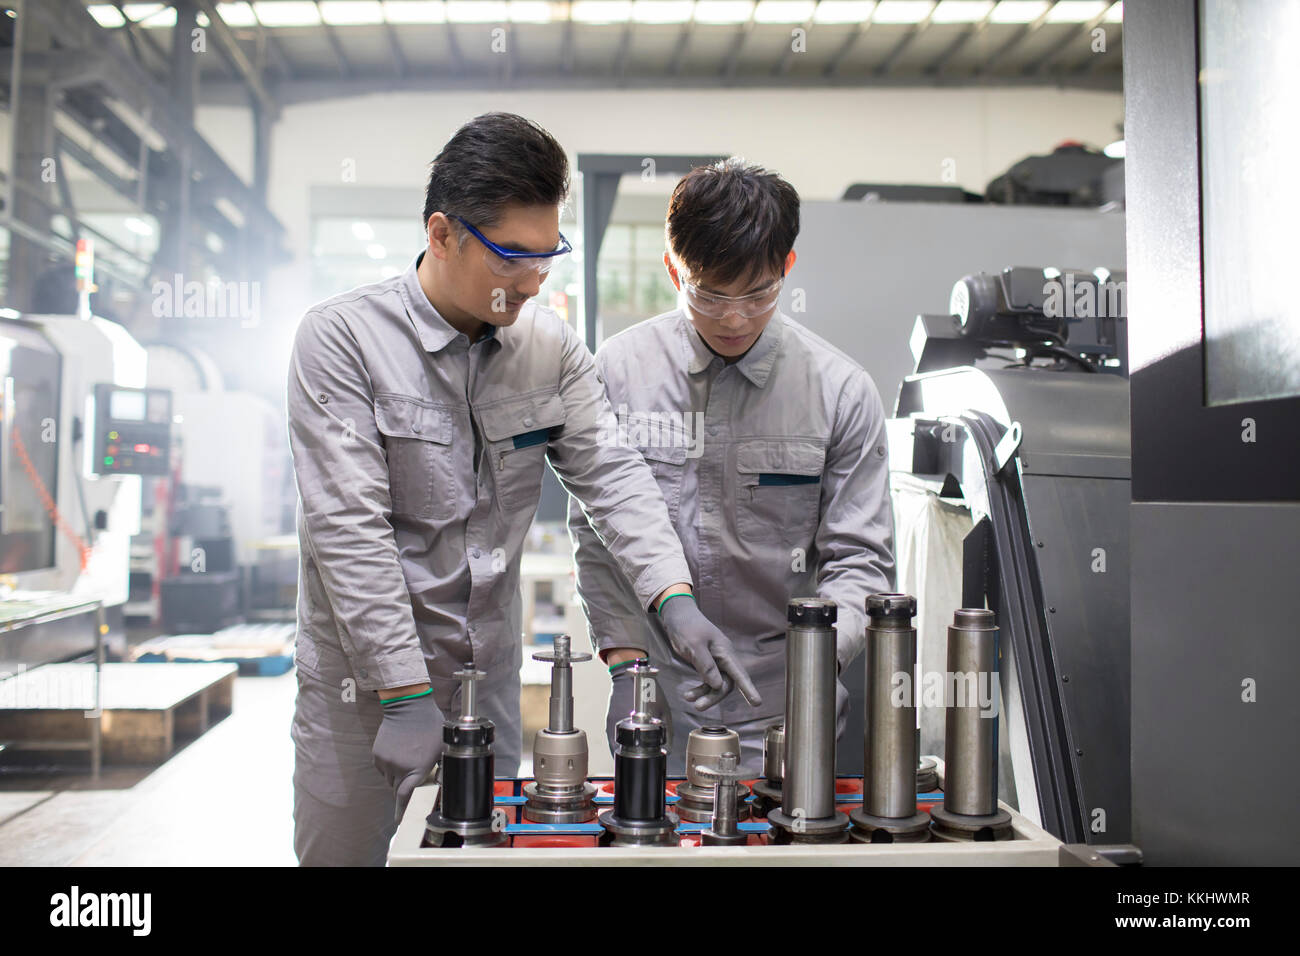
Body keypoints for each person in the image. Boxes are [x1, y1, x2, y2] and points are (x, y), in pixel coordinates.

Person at [286, 114, 758, 866]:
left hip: (488, 683)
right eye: (512, 258)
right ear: (441, 234)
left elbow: (613, 475)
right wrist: (404, 695)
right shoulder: (342, 342)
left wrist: (675, 597)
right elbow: (351, 531)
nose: (533, 282)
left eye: (548, 257)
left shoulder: (550, 348)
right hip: (363, 693)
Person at [568, 158, 896, 774]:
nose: (735, 318)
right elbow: (596, 534)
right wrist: (625, 667)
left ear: (787, 269)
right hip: (657, 698)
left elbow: (861, 562)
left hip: (787, 708)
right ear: (673, 269)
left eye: (758, 293)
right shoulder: (619, 370)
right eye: (710, 294)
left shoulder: (841, 392)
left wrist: (816, 665)